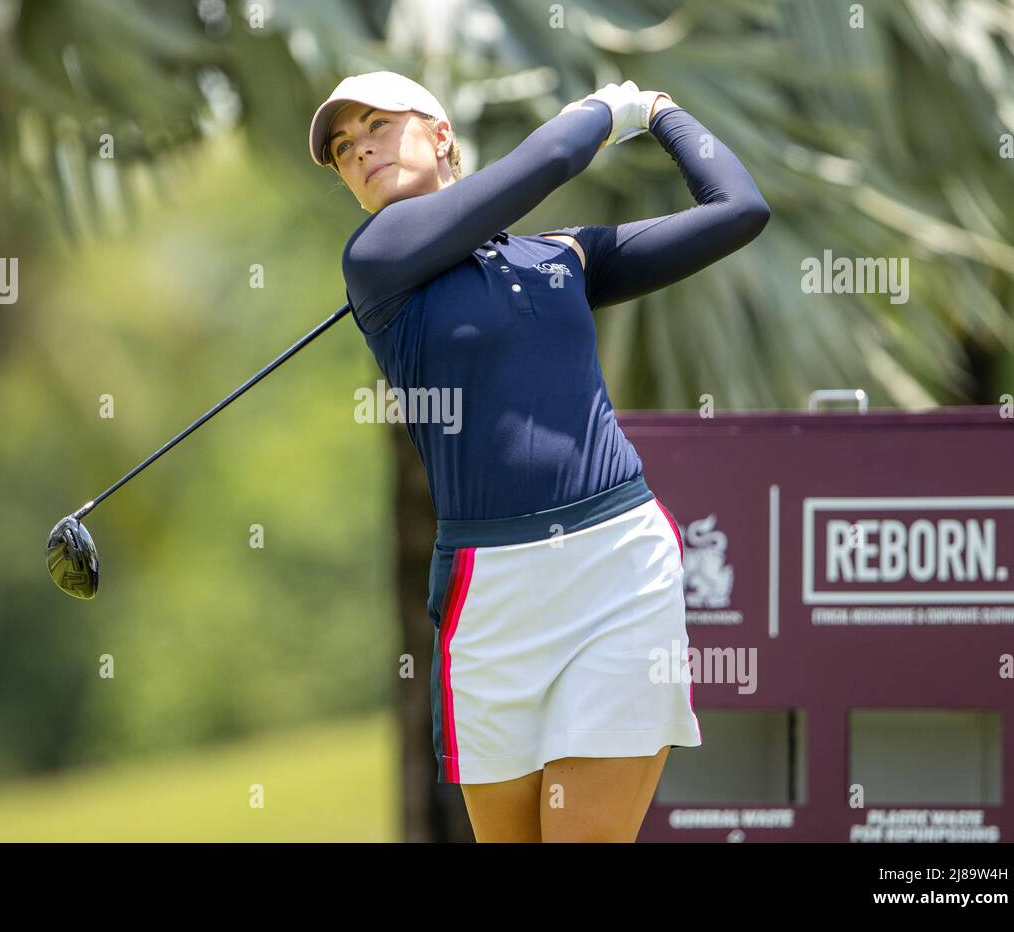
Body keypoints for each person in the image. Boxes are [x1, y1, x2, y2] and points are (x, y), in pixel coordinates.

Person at [308, 70, 769, 842]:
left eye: (378, 127)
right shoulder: (378, 258)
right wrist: (612, 108)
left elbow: (738, 210)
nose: (361, 153)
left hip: (613, 570)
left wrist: (663, 113)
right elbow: (554, 155)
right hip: (489, 599)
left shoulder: (564, 257)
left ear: (441, 133)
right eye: (345, 150)